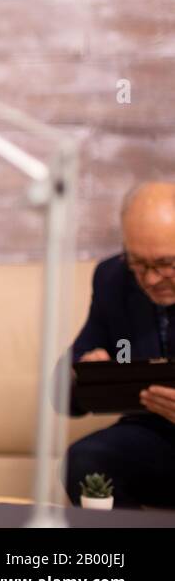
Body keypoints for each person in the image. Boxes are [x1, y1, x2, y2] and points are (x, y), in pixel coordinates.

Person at [63, 182, 175, 508]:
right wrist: (85, 373)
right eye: (138, 263)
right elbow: (63, 395)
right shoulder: (113, 278)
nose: (151, 279)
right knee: (84, 463)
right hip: (153, 436)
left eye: (166, 264)